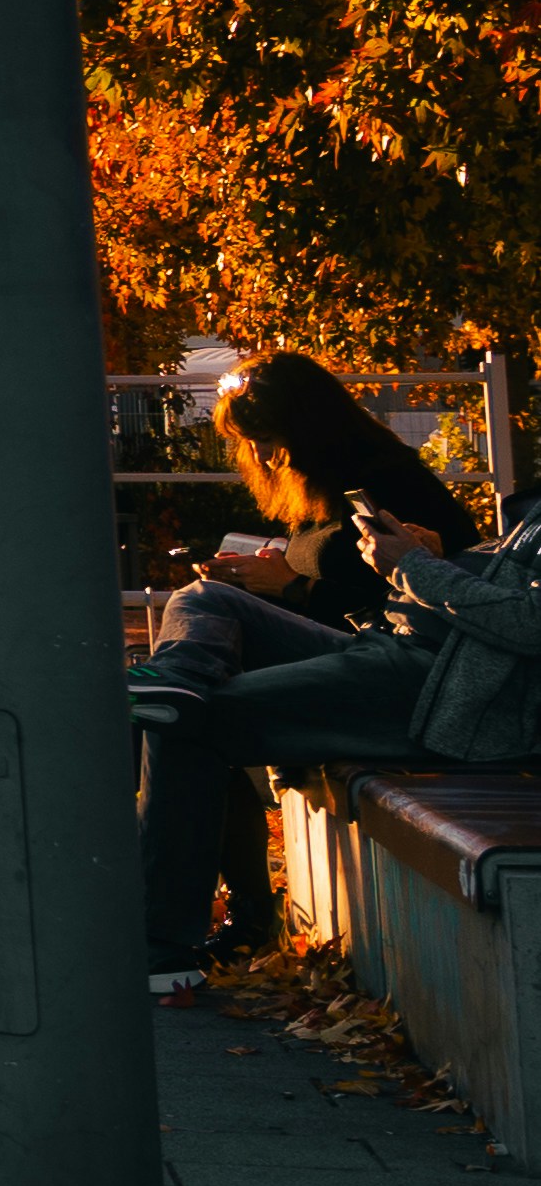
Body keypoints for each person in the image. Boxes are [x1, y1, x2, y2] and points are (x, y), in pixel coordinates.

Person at [130, 347, 541, 991]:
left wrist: (415, 565)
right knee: (204, 608)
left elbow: (529, 623)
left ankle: (164, 948)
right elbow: (501, 588)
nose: (263, 459)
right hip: (404, 647)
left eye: (267, 441)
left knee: (198, 721)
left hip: (441, 690)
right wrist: (443, 560)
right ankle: (177, 677)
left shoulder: (384, 470)